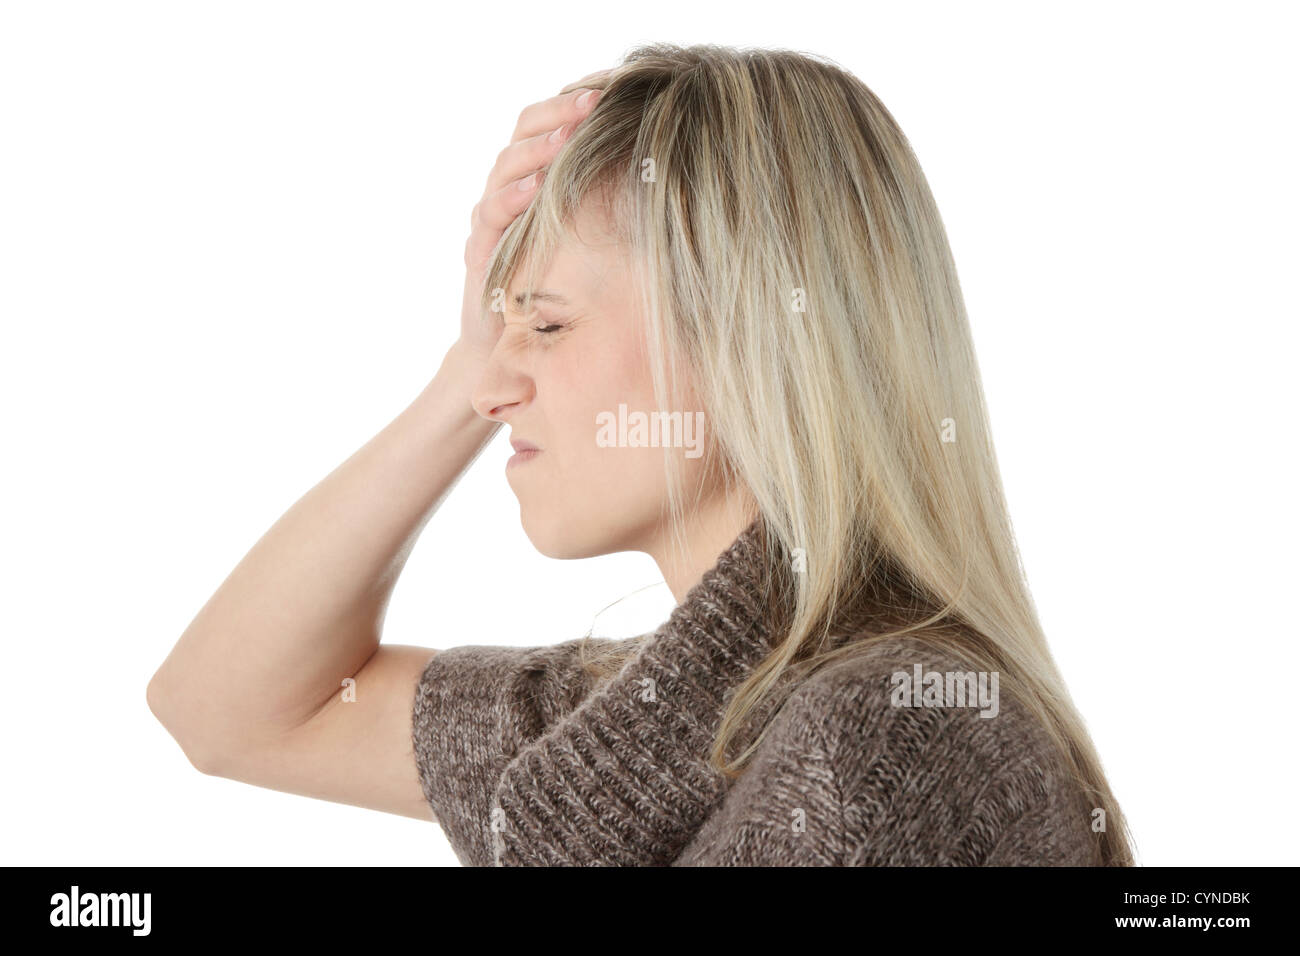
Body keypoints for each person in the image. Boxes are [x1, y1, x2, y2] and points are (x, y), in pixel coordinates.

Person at [147, 43, 1135, 866]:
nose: (498, 388)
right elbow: (226, 710)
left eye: (547, 324)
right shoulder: (673, 716)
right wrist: (464, 368)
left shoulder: (877, 735)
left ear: (743, 338)